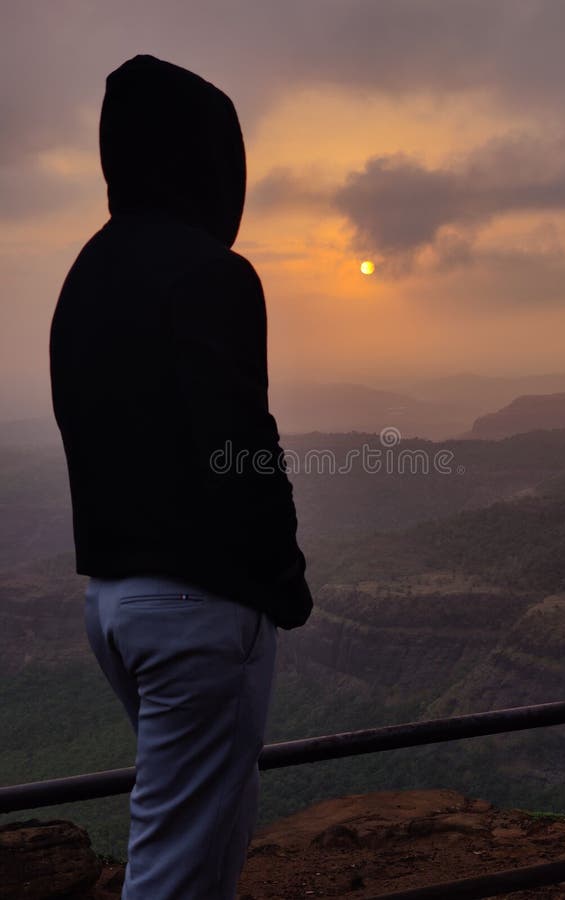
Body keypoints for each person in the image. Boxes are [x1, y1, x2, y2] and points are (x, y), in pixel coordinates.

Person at [49, 53, 313, 899]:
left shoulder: (86, 273)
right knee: (174, 867)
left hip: (112, 602)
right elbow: (238, 441)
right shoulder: (210, 272)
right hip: (197, 609)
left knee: (210, 828)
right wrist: (283, 576)